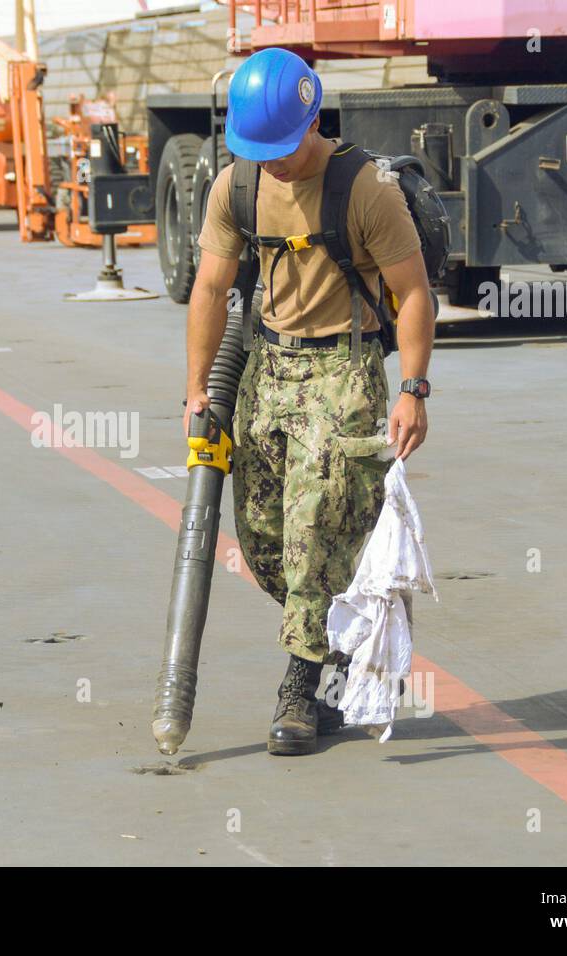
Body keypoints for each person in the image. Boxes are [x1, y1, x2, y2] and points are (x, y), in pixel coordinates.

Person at [186, 48, 436, 757]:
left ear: (314, 121)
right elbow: (209, 289)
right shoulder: (236, 186)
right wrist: (199, 388)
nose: (275, 163)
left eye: (285, 149)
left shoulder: (366, 190)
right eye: (258, 150)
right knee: (266, 540)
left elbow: (414, 294)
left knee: (316, 529)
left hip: (344, 370)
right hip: (267, 368)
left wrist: (414, 389)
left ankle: (300, 690)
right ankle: (337, 646)